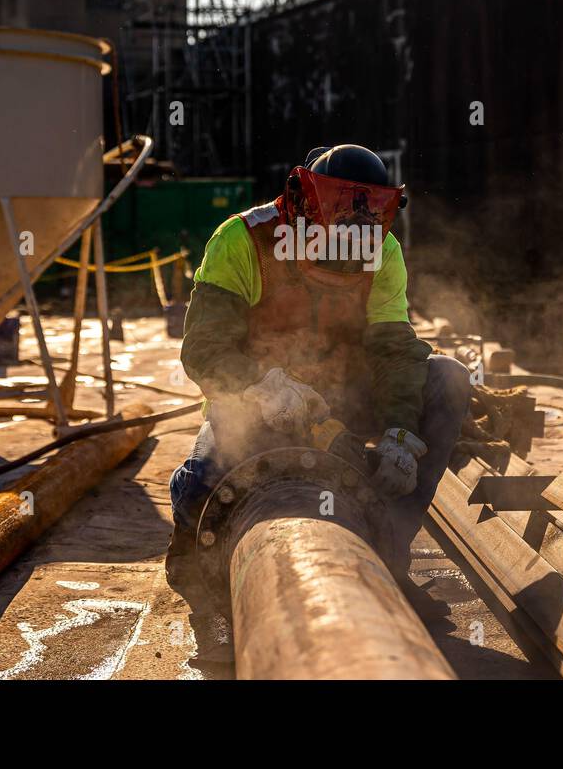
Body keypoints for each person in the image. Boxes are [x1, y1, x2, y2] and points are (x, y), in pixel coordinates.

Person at [166, 143, 472, 612]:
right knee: (206, 487)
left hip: (344, 394)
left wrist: (401, 434)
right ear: (302, 203)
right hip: (254, 399)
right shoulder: (242, 240)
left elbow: (394, 349)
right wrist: (267, 388)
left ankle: (388, 557)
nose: (348, 249)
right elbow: (204, 350)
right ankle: (191, 512)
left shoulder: (382, 248)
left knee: (447, 378)